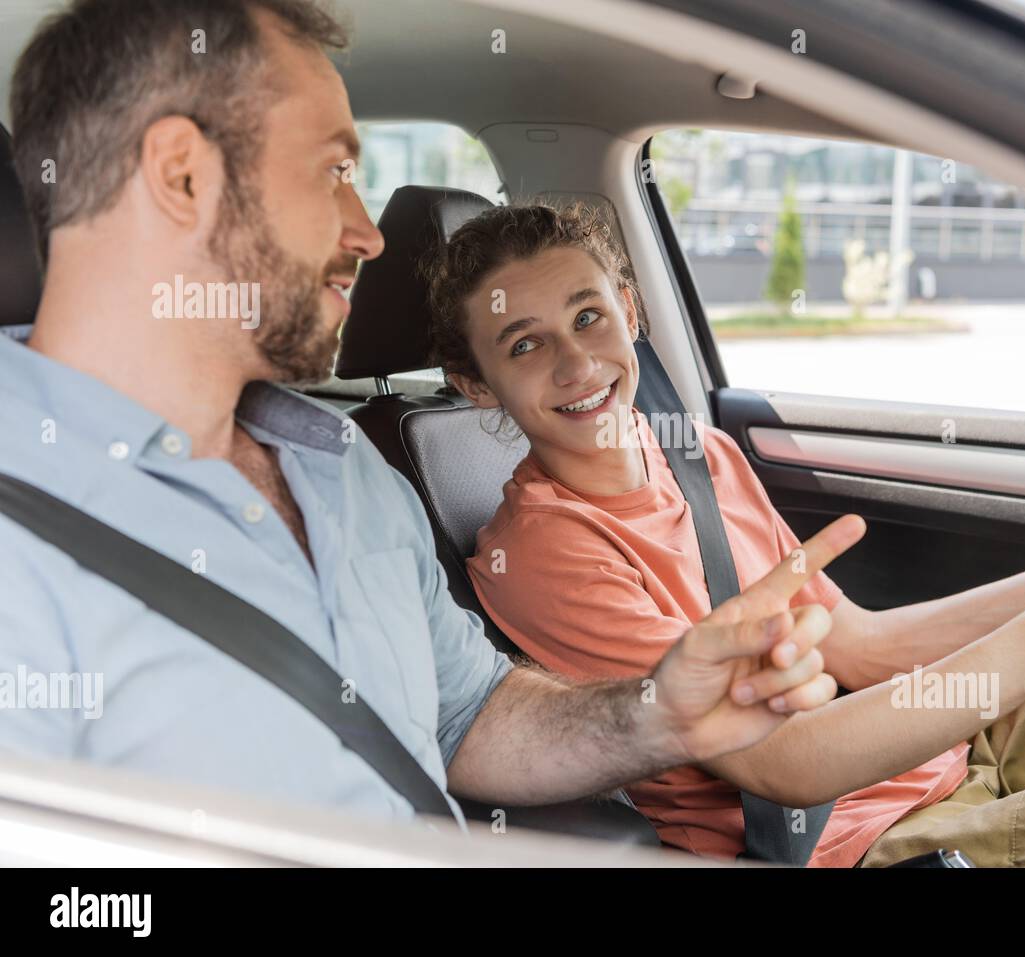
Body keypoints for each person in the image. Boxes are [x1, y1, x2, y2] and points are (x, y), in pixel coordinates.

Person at [0, 0, 852, 835]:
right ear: (182, 174)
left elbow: (467, 717)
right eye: (333, 172)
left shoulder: (338, 462)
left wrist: (658, 712)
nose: (366, 234)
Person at [430, 202, 1025, 866]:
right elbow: (785, 767)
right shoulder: (546, 551)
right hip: (850, 843)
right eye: (524, 344)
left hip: (944, 761)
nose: (577, 364)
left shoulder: (698, 457)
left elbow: (865, 643)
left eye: (588, 317)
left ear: (628, 308)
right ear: (474, 384)